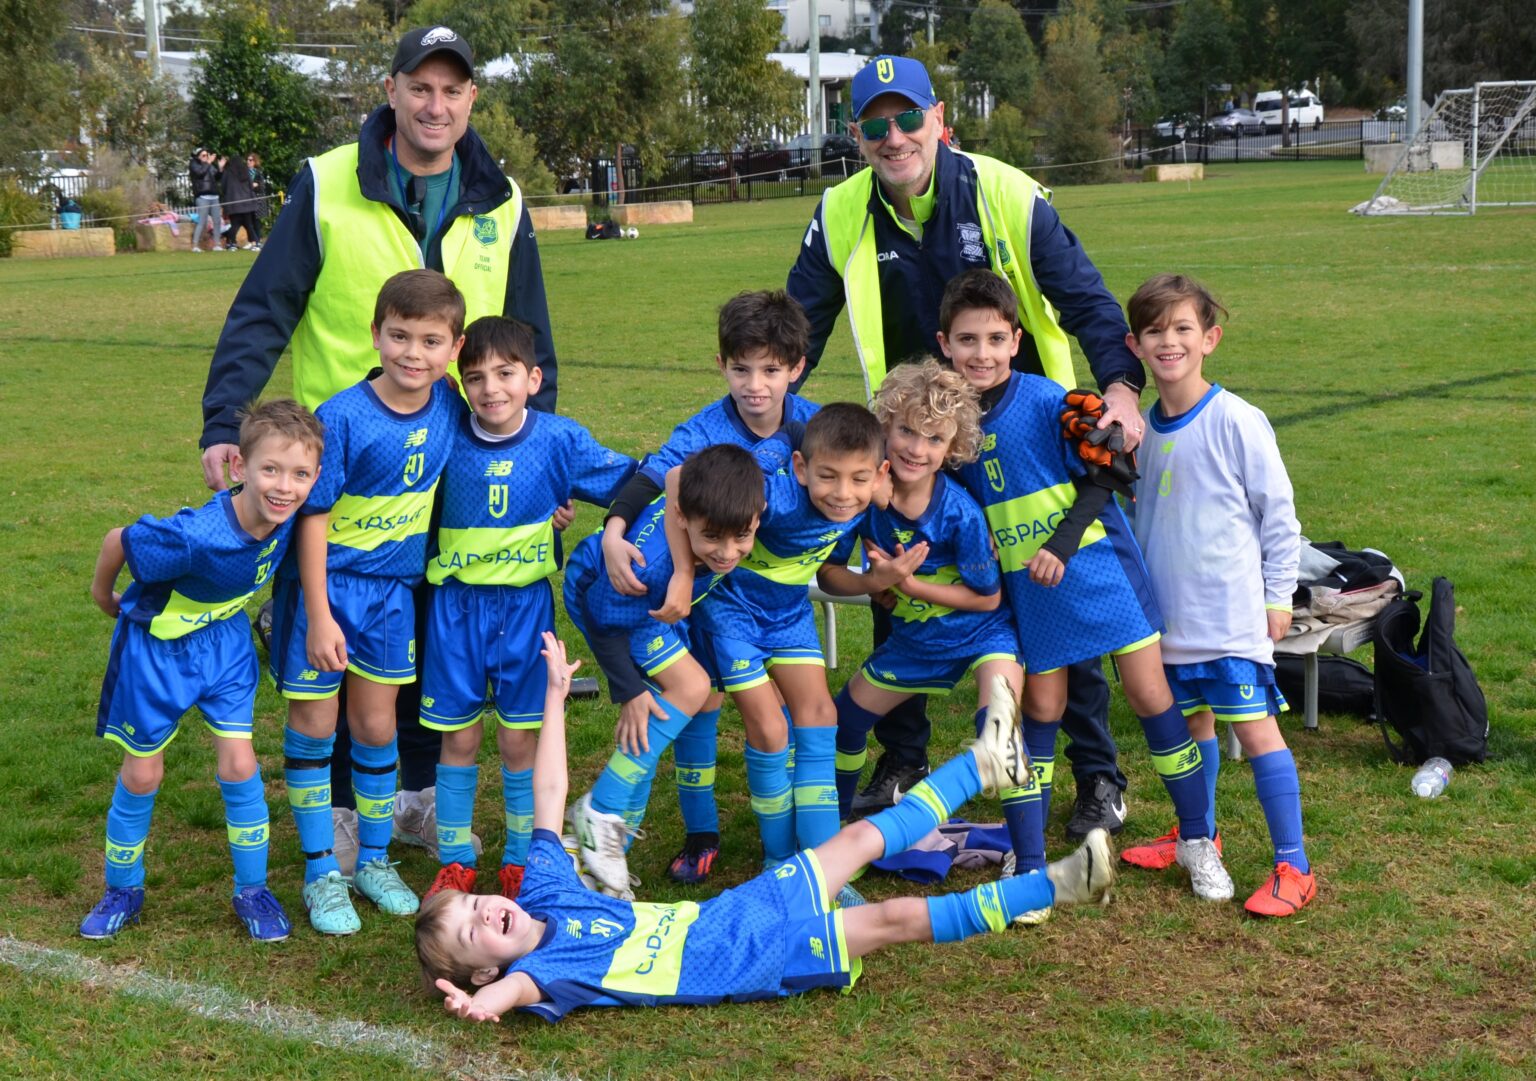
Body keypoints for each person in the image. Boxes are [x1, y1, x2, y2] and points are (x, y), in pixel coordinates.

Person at [198, 25, 563, 866]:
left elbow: (529, 335)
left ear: (474, 99)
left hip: (456, 453)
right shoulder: (327, 182)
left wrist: (538, 462)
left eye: (454, 90)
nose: (437, 106)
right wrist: (227, 420)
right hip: (333, 463)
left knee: (435, 622)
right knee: (323, 629)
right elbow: (264, 308)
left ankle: (420, 793)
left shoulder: (501, 199)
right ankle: (335, 811)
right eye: (421, 87)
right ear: (392, 89)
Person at [785, 54, 1146, 837]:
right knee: (896, 576)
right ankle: (902, 755)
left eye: (908, 117)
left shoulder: (1004, 191)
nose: (895, 136)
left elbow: (1084, 296)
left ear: (938, 118)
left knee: (1054, 594)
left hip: (1026, 427)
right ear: (857, 136)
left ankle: (1097, 774)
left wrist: (1118, 384)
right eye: (876, 125)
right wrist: (763, 425)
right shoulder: (841, 210)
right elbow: (796, 331)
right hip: (919, 440)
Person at [416, 635, 1116, 1023]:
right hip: (758, 955)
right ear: (484, 966)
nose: (490, 908)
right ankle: (1053, 885)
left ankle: (985, 760)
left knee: (854, 840)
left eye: (477, 901)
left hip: (738, 908)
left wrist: (555, 699)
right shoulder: (543, 974)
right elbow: (510, 995)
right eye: (476, 928)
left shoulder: (541, 892)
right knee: (896, 918)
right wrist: (483, 1003)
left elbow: (549, 793)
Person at [939, 268, 1231, 902]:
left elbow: (1112, 472)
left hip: (1099, 569)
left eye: (994, 339)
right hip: (1033, 590)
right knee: (1040, 710)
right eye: (967, 341)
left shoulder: (1050, 400)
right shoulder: (949, 427)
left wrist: (1060, 543)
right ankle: (1028, 858)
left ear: (1016, 340)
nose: (981, 354)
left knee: (1151, 696)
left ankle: (1198, 840)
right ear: (945, 344)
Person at [595, 290, 822, 883]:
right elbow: (653, 477)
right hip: (705, 605)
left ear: (796, 369)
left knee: (798, 717)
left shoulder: (813, 429)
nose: (755, 384)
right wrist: (614, 529)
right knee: (703, 710)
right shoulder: (703, 430)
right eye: (741, 368)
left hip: (777, 602)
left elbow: (857, 476)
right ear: (721, 365)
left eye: (771, 370)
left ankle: (810, 835)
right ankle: (702, 833)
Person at [80, 400, 324, 941]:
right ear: (239, 468)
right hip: (157, 654)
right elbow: (119, 539)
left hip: (224, 647)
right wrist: (104, 599)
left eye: (300, 473)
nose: (285, 486)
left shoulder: (294, 513)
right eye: (270, 470)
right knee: (144, 774)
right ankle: (123, 887)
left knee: (240, 766)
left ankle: (252, 890)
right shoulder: (193, 536)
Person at [656, 404, 919, 906]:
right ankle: (778, 864)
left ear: (879, 474)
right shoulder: (777, 495)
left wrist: (873, 580)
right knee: (772, 730)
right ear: (800, 469)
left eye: (858, 479)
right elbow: (676, 477)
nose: (842, 493)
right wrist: (685, 573)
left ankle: (824, 872)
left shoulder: (866, 501)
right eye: (827, 477)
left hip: (789, 614)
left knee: (821, 717)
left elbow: (833, 570)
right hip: (732, 612)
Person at [269, 270, 467, 934]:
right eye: (400, 336)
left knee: (379, 726)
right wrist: (320, 614)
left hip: (391, 596)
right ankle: (323, 870)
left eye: (431, 340)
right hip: (329, 591)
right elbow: (313, 518)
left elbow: (489, 453)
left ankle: (376, 860)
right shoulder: (345, 415)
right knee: (317, 727)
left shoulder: (450, 405)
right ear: (375, 335)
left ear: (454, 348)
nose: (414, 353)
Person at [815, 361, 1045, 920]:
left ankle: (1031, 868)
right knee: (843, 722)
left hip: (984, 633)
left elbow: (988, 599)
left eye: (935, 439)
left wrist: (910, 583)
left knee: (1000, 726)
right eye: (907, 432)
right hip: (917, 643)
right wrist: (876, 583)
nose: (918, 448)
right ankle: (842, 844)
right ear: (884, 429)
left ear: (953, 448)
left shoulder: (960, 514)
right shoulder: (864, 498)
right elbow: (827, 574)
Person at [419, 316, 636, 904]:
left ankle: (519, 859)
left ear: (533, 378)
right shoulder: (443, 434)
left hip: (525, 610)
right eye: (476, 377)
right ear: (459, 384)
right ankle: (457, 860)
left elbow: (633, 481)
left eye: (506, 374)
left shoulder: (559, 441)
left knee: (520, 740)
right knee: (458, 739)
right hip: (454, 610)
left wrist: (614, 525)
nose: (491, 388)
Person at [1118, 274, 1314, 916]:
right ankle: (1194, 833)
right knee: (1189, 729)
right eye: (1155, 332)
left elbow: (1279, 517)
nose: (1169, 342)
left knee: (1257, 736)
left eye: (1182, 329)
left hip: (1229, 618)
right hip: (1166, 621)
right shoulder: (1140, 431)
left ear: (1210, 339)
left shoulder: (1238, 419)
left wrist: (1278, 596)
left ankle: (1294, 865)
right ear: (1135, 346)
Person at [561, 444, 764, 894]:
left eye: (741, 537)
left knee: (666, 717)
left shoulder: (724, 504)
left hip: (646, 607)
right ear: (683, 518)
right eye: (712, 539)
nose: (728, 553)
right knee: (688, 687)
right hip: (609, 600)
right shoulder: (649, 566)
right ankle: (601, 813)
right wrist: (629, 689)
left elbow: (676, 471)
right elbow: (603, 619)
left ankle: (592, 861)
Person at [219, 153, 261, 251]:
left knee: (235, 225)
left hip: (233, 204)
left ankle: (232, 244)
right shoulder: (245, 171)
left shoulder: (227, 172)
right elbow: (251, 186)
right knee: (249, 224)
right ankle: (255, 243)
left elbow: (223, 187)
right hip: (247, 203)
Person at [189, 147, 224, 253]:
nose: (206, 157)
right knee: (202, 221)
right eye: (203, 155)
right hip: (202, 197)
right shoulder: (194, 164)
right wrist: (208, 162)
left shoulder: (209, 165)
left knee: (217, 221)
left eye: (207, 155)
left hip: (214, 196)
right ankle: (195, 245)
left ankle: (217, 244)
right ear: (198, 156)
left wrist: (220, 168)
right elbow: (200, 173)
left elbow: (217, 177)